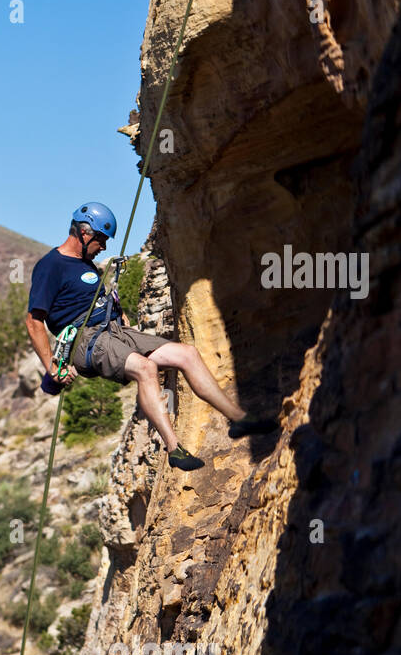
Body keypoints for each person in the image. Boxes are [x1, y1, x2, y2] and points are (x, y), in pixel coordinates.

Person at [25, 202, 277, 471]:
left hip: (114, 332)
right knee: (146, 368)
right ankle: (174, 448)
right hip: (86, 342)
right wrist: (52, 365)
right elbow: (33, 320)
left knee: (186, 354)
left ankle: (238, 419)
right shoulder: (51, 266)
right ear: (85, 233)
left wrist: (119, 314)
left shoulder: (86, 265)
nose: (105, 247)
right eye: (101, 239)